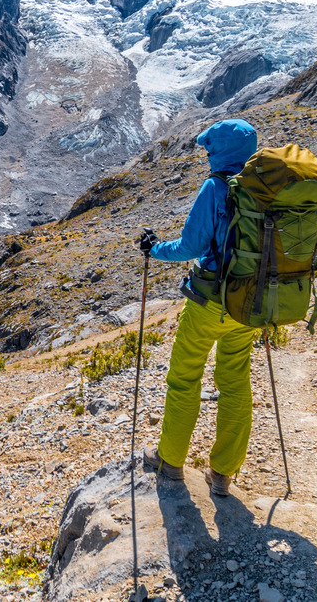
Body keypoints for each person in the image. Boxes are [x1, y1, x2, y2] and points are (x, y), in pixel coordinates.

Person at [134, 118, 259, 497]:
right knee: (235, 381)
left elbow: (190, 246)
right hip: (250, 303)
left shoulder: (216, 187)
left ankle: (170, 460)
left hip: (210, 302)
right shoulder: (265, 186)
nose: (206, 154)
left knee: (185, 377)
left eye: (210, 148)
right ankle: (222, 474)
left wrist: (154, 248)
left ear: (221, 151)